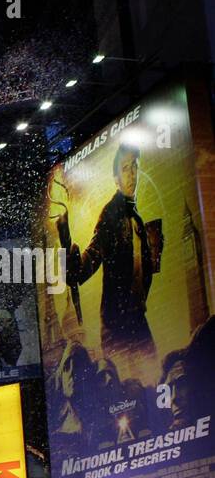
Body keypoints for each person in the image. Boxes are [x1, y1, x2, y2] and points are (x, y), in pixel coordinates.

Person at [67, 142, 162, 367]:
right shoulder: (111, 213)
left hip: (137, 317)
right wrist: (74, 264)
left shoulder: (135, 216)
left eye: (134, 167)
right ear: (116, 178)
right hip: (116, 324)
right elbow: (92, 256)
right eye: (125, 168)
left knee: (153, 373)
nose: (132, 174)